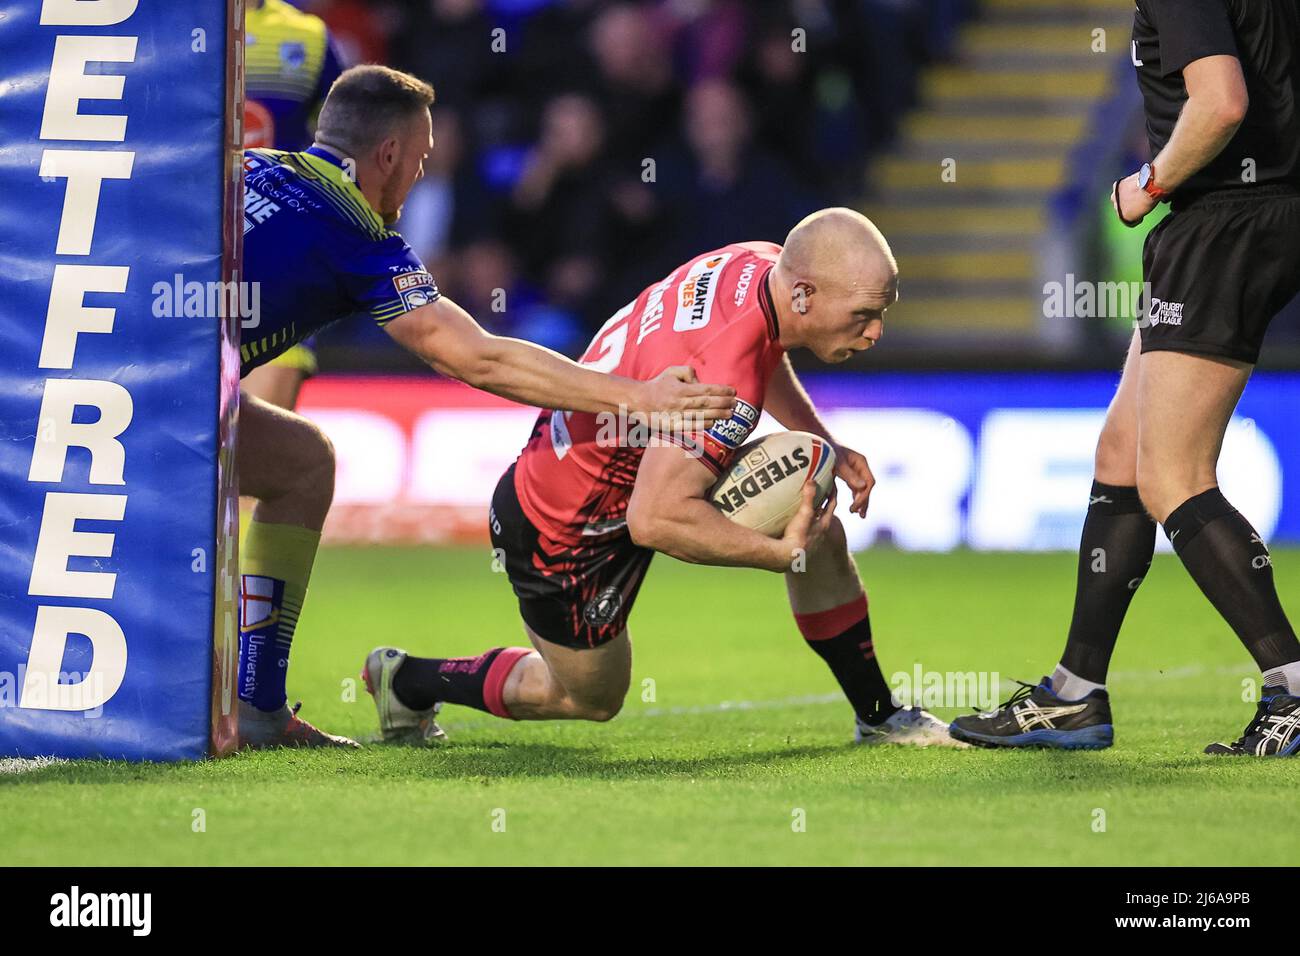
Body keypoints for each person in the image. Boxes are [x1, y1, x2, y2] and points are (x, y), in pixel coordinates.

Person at [237, 65, 737, 748]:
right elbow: (476, 356)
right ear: (387, 155)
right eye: (418, 160)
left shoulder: (248, 166)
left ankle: (257, 707)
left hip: (108, 366)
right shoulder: (353, 232)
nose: (417, 179)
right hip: (159, 399)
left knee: (301, 463)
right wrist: (639, 397)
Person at [362, 208, 960, 748]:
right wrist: (776, 554)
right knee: (589, 698)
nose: (875, 332)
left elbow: (764, 351)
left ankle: (880, 717)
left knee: (812, 490)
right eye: (864, 315)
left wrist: (827, 443)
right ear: (804, 294)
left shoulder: (759, 263)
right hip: (564, 528)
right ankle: (409, 680)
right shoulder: (715, 378)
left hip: (629, 469)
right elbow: (656, 519)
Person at [951, 0, 1300, 756]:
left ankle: (1292, 685)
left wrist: (1147, 181)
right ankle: (1076, 695)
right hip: (1253, 215)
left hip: (1225, 220)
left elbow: (1221, 100)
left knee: (1173, 475)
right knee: (1123, 453)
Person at [241, 0, 347, 411]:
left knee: (255, 457)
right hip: (183, 255)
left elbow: (347, 139)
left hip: (277, 260)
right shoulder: (167, 27)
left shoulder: (309, 36)